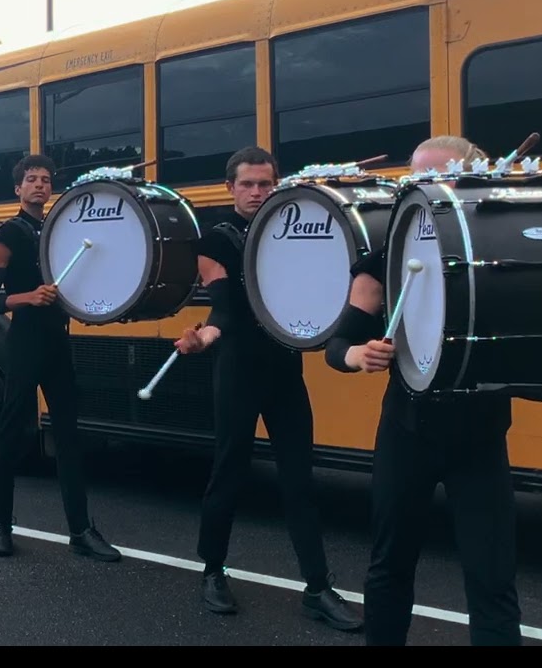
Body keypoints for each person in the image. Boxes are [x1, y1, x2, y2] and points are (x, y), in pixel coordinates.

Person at [323, 135, 522, 646]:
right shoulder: (387, 257)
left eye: (440, 176)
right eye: (417, 178)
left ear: (472, 179)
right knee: (390, 566)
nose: (427, 187)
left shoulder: (502, 252)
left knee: (492, 577)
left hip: (479, 436)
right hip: (407, 431)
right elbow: (339, 342)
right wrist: (357, 355)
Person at [172, 146, 362, 631]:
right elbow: (224, 308)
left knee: (300, 480)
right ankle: (213, 571)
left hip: (285, 370)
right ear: (230, 188)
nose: (257, 192)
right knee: (229, 471)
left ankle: (318, 587)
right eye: (248, 184)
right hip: (238, 368)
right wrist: (206, 337)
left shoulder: (291, 228)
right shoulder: (215, 239)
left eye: (265, 183)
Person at [0, 154, 121, 562]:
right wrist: (28, 297)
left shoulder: (58, 230)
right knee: (10, 433)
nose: (40, 185)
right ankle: (1, 525)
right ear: (18, 189)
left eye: (45, 179)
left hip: (58, 341)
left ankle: (81, 529)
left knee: (69, 437)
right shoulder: (9, 232)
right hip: (24, 340)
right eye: (31, 179)